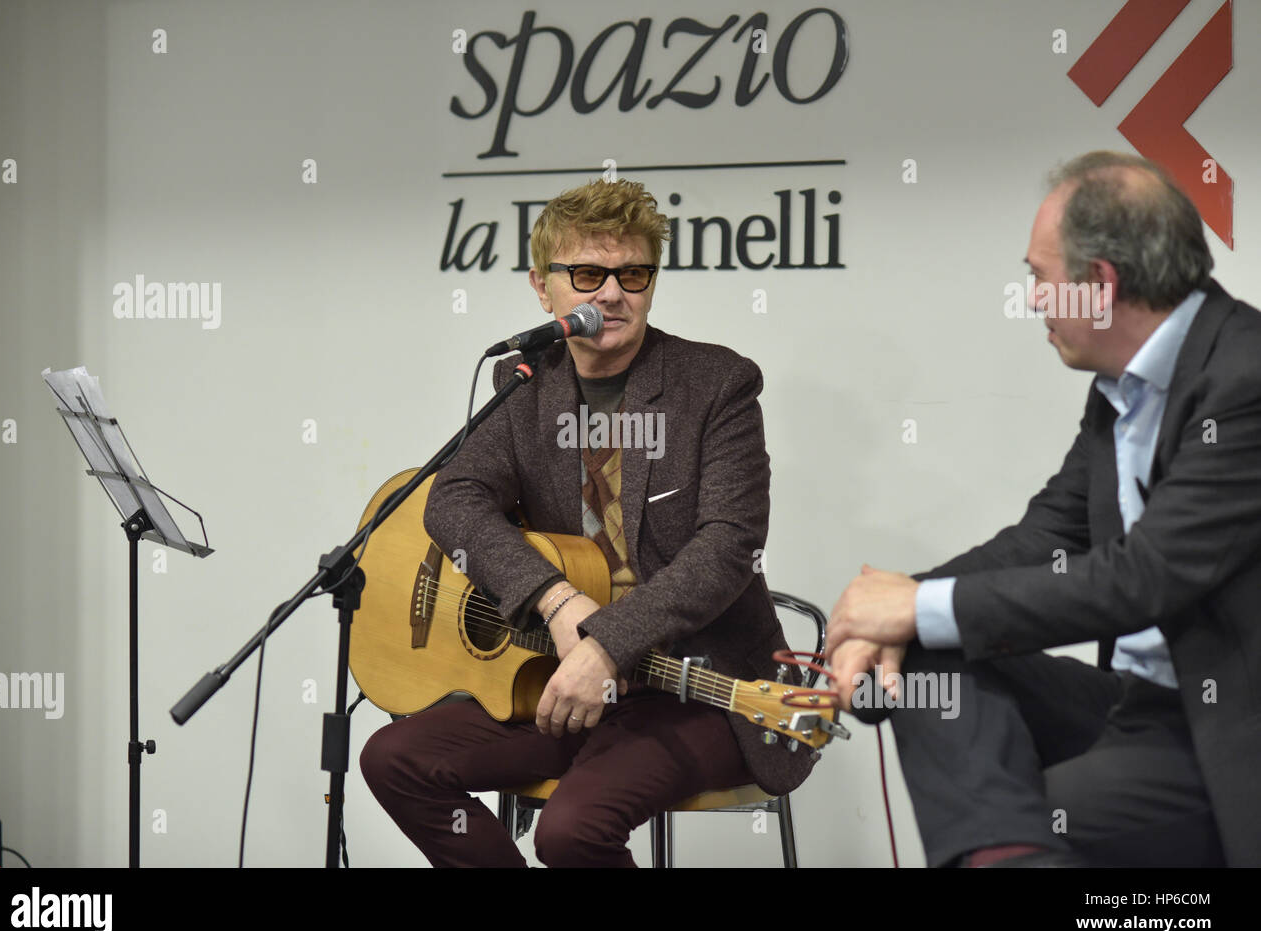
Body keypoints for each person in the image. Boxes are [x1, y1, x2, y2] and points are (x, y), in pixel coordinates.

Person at [824, 150, 1261, 867]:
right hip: (1137, 705)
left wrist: (913, 604)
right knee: (932, 652)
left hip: (1223, 729)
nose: (1030, 297)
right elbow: (1049, 534)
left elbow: (1142, 576)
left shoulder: (1245, 378)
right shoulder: (1122, 386)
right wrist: (901, 610)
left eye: (1038, 275)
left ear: (1099, 283)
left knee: (1024, 817)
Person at [360, 179, 814, 867]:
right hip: (558, 680)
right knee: (395, 758)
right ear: (544, 290)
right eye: (588, 275)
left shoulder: (716, 384)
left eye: (633, 274)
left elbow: (728, 547)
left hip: (697, 688)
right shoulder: (525, 386)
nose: (612, 294)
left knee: (570, 832)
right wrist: (554, 597)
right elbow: (452, 499)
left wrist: (605, 645)